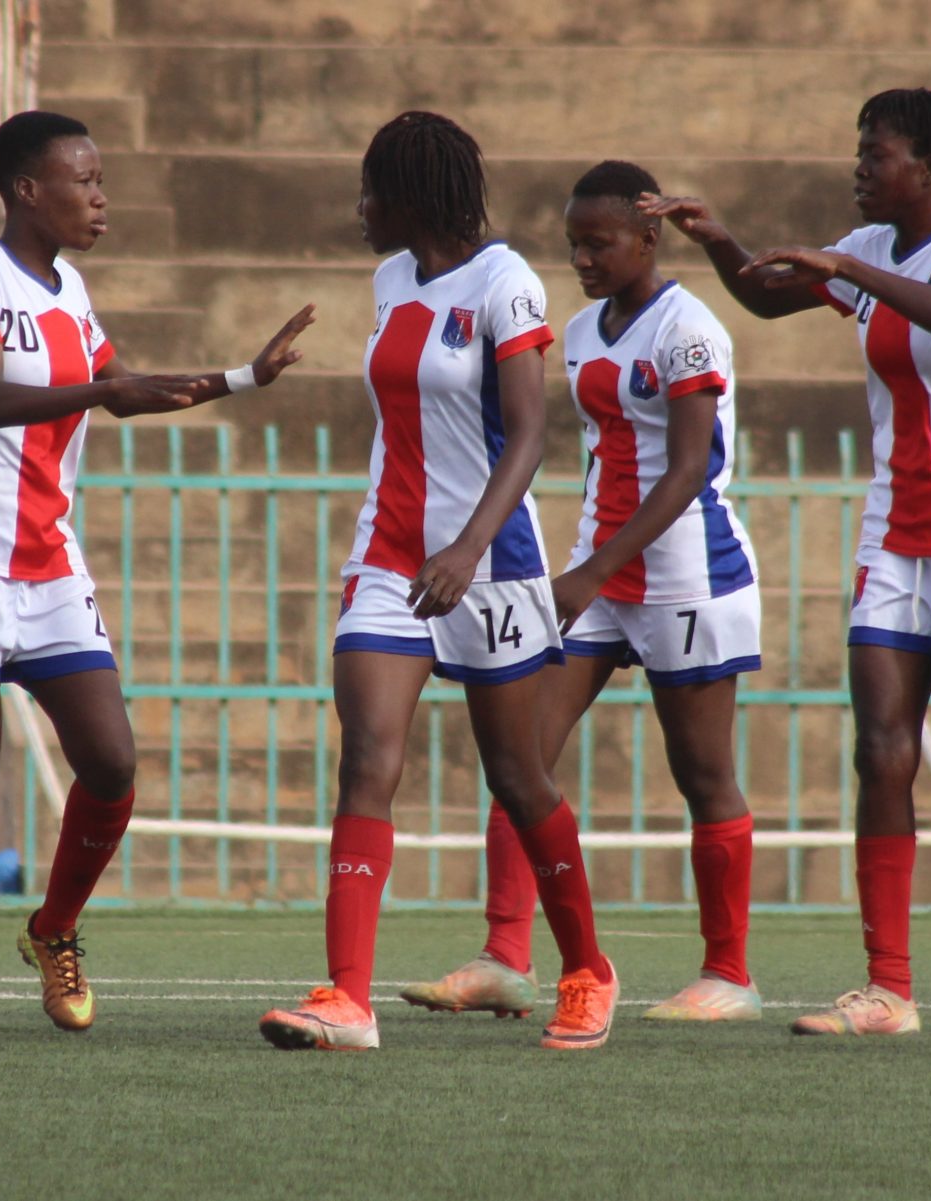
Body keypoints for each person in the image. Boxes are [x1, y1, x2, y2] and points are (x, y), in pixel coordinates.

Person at [641, 88, 931, 1036]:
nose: (860, 166)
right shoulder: (859, 255)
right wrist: (719, 242)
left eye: (878, 152)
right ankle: (887, 988)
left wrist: (844, 269)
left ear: (929, 169)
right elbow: (765, 296)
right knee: (880, 752)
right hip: (892, 534)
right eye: (860, 150)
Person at [0, 109, 314, 1037]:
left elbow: (127, 389)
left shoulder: (68, 288)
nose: (100, 195)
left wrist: (241, 378)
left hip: (46, 559)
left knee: (112, 764)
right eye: (84, 179)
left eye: (102, 177)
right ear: (28, 190)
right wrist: (106, 389)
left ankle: (54, 928)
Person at [259, 111, 615, 1053]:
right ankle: (347, 998)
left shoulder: (507, 281)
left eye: (371, 191)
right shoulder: (389, 279)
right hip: (388, 556)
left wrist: (466, 546)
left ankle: (587, 969)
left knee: (518, 775)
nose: (360, 209)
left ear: (415, 194)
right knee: (368, 757)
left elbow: (533, 433)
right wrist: (423, 547)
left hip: (489, 564)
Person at [401, 160, 764, 1025]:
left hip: (685, 571)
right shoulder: (582, 331)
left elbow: (685, 472)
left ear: (648, 239)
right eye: (574, 244)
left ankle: (729, 973)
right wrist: (592, 568)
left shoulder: (691, 330)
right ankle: (505, 955)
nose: (583, 259)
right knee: (523, 751)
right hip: (595, 575)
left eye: (599, 243)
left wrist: (592, 569)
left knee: (702, 771)